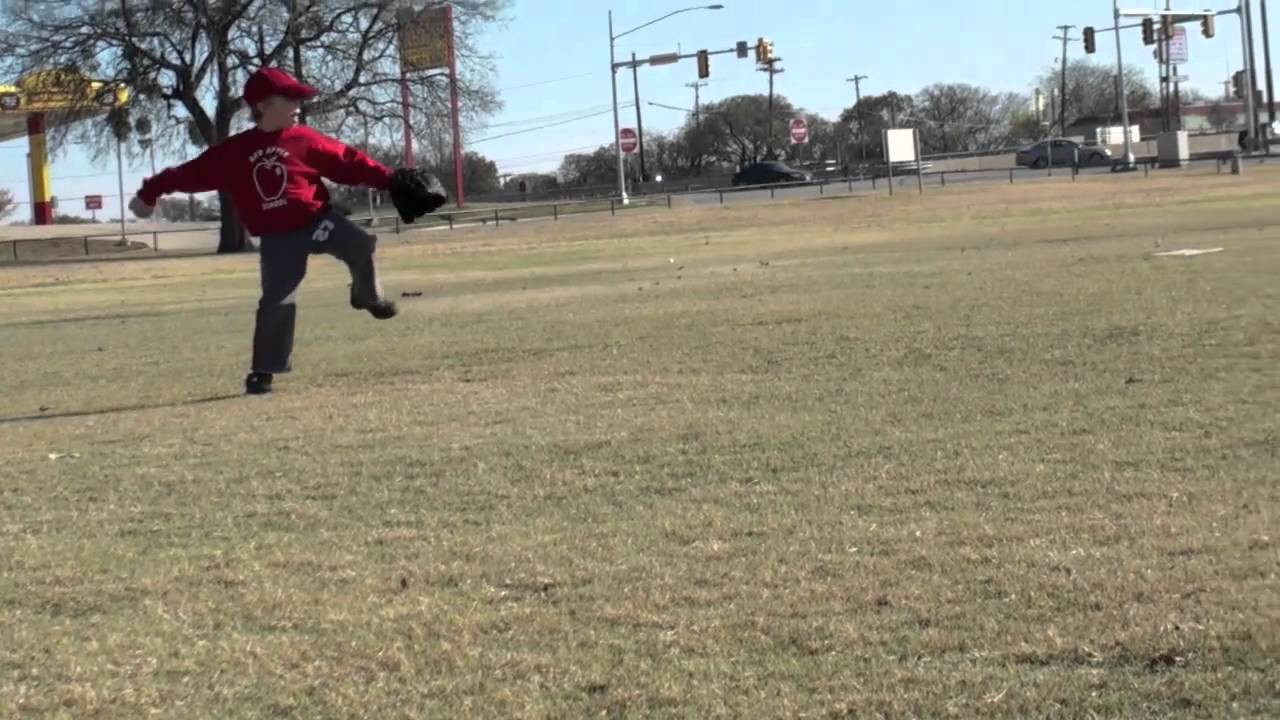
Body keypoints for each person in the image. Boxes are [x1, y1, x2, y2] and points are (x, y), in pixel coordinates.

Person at [130, 67, 399, 396]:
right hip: (278, 238)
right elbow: (189, 173)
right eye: (291, 99)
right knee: (277, 301)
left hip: (318, 220)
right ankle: (263, 371)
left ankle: (368, 297)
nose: (299, 105)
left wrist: (392, 179)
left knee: (361, 244)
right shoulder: (234, 152)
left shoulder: (306, 139)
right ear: (264, 105)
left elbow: (348, 162)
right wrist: (150, 192)